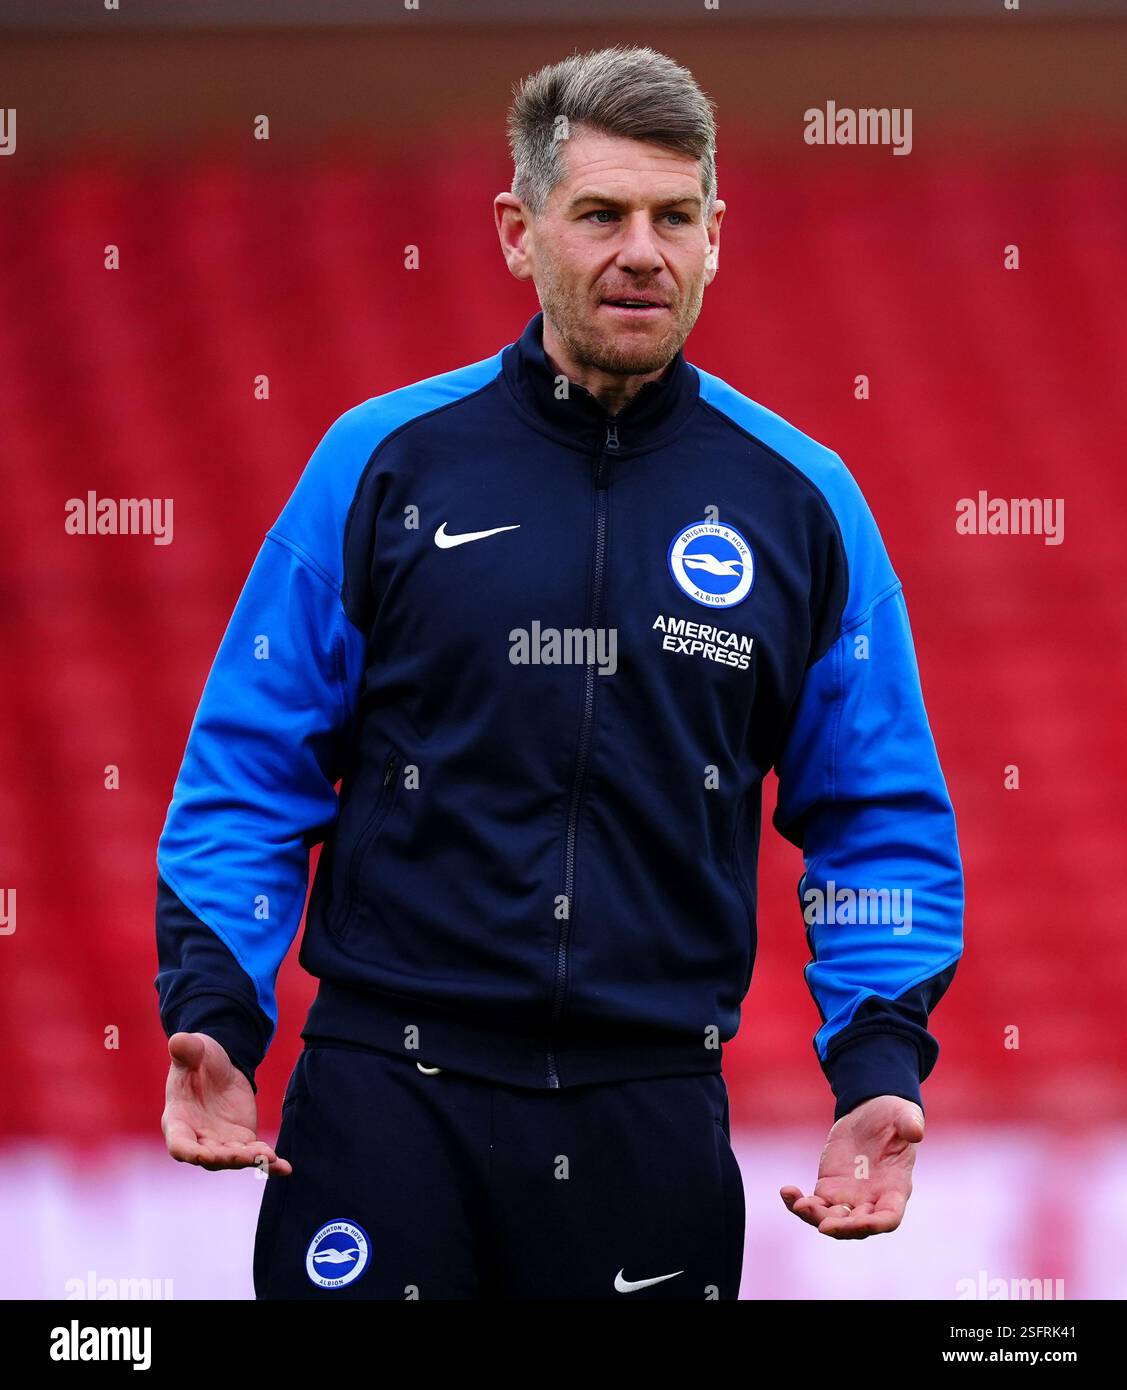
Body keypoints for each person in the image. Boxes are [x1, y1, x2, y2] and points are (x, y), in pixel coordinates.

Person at [155, 45, 963, 1300]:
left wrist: (875, 1063)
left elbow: (876, 819)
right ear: (517, 233)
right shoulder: (381, 464)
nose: (640, 249)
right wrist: (218, 1004)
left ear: (713, 238)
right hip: (386, 1098)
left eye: (671, 217)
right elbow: (252, 765)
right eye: (599, 214)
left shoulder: (804, 503)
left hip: (648, 1109)